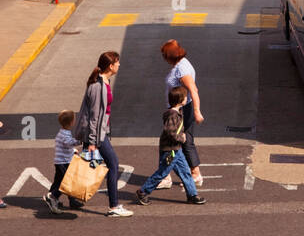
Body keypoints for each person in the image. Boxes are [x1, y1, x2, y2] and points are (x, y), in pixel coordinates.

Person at [75, 50, 132, 217]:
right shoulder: (98, 87)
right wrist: (93, 142)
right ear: (110, 66)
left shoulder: (104, 82)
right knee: (113, 164)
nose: (119, 65)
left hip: (99, 133)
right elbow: (94, 118)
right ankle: (114, 206)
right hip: (96, 135)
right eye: (117, 62)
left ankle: (56, 195)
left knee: (86, 167)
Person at [134, 86, 207, 206]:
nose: (186, 99)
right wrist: (181, 138)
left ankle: (192, 195)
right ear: (181, 100)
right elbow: (170, 132)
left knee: (185, 172)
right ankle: (142, 192)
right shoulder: (172, 115)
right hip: (170, 151)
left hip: (177, 150)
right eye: (185, 97)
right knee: (162, 172)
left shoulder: (178, 112)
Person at [161, 40, 205, 190]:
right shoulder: (182, 63)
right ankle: (194, 173)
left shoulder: (182, 70)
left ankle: (167, 176)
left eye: (164, 55)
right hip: (180, 109)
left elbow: (193, 90)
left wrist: (197, 111)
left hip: (182, 110)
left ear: (170, 57)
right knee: (183, 141)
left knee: (173, 142)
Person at [45, 109, 79, 214]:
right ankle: (52, 197)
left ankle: (71, 201)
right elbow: (69, 143)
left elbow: (64, 146)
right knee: (67, 182)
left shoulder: (63, 132)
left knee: (58, 181)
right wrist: (81, 141)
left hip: (61, 161)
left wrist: (72, 151)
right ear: (71, 122)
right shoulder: (66, 134)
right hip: (63, 162)